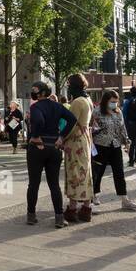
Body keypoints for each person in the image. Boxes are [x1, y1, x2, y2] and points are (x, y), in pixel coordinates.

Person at [24, 82, 76, 227]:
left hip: (37, 147)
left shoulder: (35, 107)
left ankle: (31, 216)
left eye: (34, 91)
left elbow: (39, 120)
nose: (32, 93)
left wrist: (35, 136)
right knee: (54, 184)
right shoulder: (57, 106)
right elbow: (72, 119)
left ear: (41, 93)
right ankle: (59, 217)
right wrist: (62, 137)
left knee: (33, 184)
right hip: (54, 146)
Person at [90, 89, 136, 212]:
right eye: (112, 102)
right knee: (98, 172)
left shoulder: (118, 112)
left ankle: (125, 199)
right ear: (106, 101)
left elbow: (123, 128)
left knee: (119, 173)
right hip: (100, 145)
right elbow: (91, 128)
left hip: (115, 145)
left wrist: (127, 142)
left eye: (116, 102)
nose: (115, 104)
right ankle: (94, 196)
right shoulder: (96, 112)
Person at [61, 74, 95, 223]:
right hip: (85, 138)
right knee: (85, 173)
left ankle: (72, 208)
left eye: (69, 84)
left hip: (75, 141)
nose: (67, 87)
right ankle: (86, 209)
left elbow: (71, 124)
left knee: (74, 172)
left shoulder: (76, 102)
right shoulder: (88, 99)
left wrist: (61, 138)